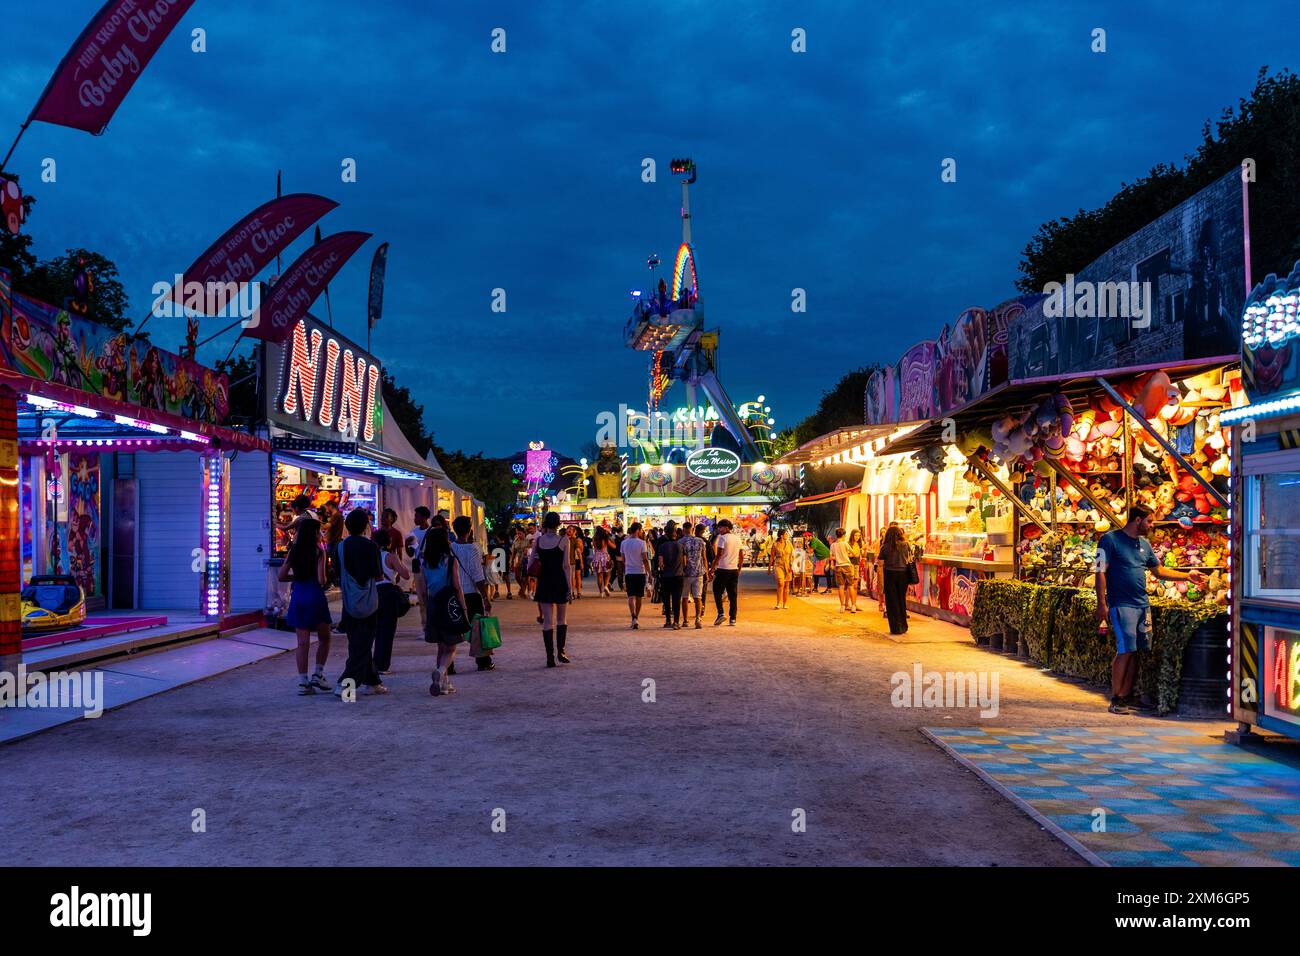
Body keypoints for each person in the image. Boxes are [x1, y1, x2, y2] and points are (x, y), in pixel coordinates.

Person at [1096, 504, 1206, 714]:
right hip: (1122, 604)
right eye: (1150, 521)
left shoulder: (1144, 545)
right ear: (1137, 520)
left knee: (1136, 650)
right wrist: (1102, 603)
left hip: (1142, 604)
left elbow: (1159, 571)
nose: (1152, 525)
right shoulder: (1109, 540)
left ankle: (1127, 695)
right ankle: (1116, 697)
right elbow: (1100, 572)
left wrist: (1187, 576)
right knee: (1125, 648)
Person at [334, 509, 388, 696]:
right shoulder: (371, 546)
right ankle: (345, 686)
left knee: (357, 642)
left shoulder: (340, 547)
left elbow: (336, 574)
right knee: (363, 645)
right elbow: (379, 575)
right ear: (366, 525)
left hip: (348, 602)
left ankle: (372, 682)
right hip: (368, 601)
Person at [277, 517, 332, 694]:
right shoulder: (319, 551)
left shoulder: (294, 550)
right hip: (315, 594)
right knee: (325, 637)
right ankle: (318, 674)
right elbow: (321, 579)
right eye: (319, 531)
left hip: (298, 595)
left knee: (302, 643)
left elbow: (281, 575)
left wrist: (296, 578)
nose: (321, 534)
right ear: (314, 533)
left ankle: (303, 682)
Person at [422, 526, 469, 696]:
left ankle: (444, 684)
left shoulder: (425, 562)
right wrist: (463, 607)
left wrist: (425, 610)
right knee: (451, 647)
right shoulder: (450, 560)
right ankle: (441, 672)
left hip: (433, 604)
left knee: (440, 647)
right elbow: (457, 586)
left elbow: (422, 590)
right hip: (449, 605)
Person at [453, 515, 495, 672]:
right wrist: (485, 597)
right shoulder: (473, 549)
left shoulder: (451, 548)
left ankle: (448, 663)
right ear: (470, 530)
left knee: (454, 628)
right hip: (471, 593)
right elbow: (478, 576)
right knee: (477, 629)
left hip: (455, 594)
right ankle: (482, 661)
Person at [531, 511, 572, 666]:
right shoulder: (564, 540)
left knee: (548, 621)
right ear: (558, 523)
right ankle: (561, 651)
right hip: (560, 581)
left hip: (544, 582)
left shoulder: (538, 541)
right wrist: (570, 587)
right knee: (562, 619)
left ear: (545, 523)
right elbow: (566, 566)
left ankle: (550, 657)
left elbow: (530, 563)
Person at [374, 526, 410, 675]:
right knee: (387, 631)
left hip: (373, 593)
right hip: (388, 593)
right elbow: (406, 575)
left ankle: (373, 662)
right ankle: (382, 665)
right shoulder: (391, 557)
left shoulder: (371, 555)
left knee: (375, 630)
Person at [877, 524, 913, 635]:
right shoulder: (906, 545)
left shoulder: (885, 547)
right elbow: (910, 559)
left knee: (892, 601)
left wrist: (880, 581)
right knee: (901, 599)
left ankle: (895, 627)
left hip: (890, 574)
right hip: (903, 575)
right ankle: (903, 625)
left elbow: (880, 564)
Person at [710, 518, 743, 626]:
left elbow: (719, 555)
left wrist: (712, 568)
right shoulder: (738, 539)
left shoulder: (722, 538)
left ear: (726, 527)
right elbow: (741, 556)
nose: (719, 529)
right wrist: (739, 569)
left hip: (723, 569)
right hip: (733, 570)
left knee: (717, 591)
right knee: (733, 595)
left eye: (720, 527)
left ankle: (721, 613)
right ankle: (733, 618)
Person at [620, 522, 652, 629]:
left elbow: (623, 560)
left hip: (629, 572)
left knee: (630, 596)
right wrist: (649, 573)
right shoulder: (642, 543)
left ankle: (633, 617)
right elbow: (645, 559)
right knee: (639, 597)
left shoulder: (624, 543)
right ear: (638, 530)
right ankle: (636, 618)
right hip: (640, 572)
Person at [407, 506, 432, 628]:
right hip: (419, 569)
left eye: (417, 516)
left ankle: (432, 625)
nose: (415, 518)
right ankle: (425, 626)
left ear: (425, 517)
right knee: (422, 598)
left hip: (431, 568)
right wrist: (407, 545)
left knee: (431, 596)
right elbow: (411, 553)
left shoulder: (432, 532)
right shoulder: (414, 532)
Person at [657, 521, 685, 629]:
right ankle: (676, 622)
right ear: (675, 534)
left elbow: (661, 563)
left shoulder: (662, 547)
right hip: (678, 575)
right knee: (677, 599)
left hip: (666, 576)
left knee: (667, 599)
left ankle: (668, 620)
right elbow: (685, 562)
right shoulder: (680, 546)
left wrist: (662, 570)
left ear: (666, 535)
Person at [680, 522, 707, 629]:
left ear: (683, 529)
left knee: (685, 597)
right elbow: (704, 558)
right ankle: (698, 619)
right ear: (692, 529)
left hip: (686, 574)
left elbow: (682, 559)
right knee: (698, 598)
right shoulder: (700, 541)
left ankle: (686, 620)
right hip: (698, 572)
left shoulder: (680, 542)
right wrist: (707, 573)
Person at [831, 527, 856, 612]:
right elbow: (853, 553)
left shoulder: (833, 545)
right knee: (850, 586)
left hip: (838, 566)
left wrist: (838, 557)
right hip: (847, 566)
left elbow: (831, 557)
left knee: (841, 587)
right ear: (843, 535)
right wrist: (847, 554)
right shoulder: (845, 543)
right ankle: (853, 606)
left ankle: (842, 606)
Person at [769, 528, 793, 610]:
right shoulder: (775, 544)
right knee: (780, 582)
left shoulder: (789, 544)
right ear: (781, 535)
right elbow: (772, 556)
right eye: (786, 534)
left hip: (788, 566)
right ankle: (778, 603)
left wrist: (791, 565)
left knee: (787, 585)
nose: (787, 535)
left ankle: (784, 603)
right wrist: (769, 568)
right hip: (778, 565)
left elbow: (792, 556)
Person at [845, 528, 865, 613]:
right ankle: (847, 604)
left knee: (855, 586)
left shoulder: (860, 544)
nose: (857, 537)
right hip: (850, 565)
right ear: (852, 535)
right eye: (856, 535)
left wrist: (863, 549)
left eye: (859, 535)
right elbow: (848, 555)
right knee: (850, 585)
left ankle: (854, 603)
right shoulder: (849, 544)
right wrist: (858, 551)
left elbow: (863, 555)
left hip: (857, 565)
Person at [591, 526, 613, 596]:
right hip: (605, 557)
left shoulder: (594, 539)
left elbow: (594, 547)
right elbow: (613, 546)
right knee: (608, 573)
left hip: (597, 557)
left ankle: (601, 592)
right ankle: (606, 586)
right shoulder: (605, 538)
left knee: (599, 575)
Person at [566, 525, 584, 599]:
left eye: (572, 530)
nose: (570, 531)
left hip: (575, 559)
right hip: (569, 560)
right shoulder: (565, 539)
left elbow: (580, 551)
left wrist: (581, 561)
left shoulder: (577, 540)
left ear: (575, 531)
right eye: (568, 529)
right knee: (571, 577)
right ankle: (571, 592)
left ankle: (578, 592)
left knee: (577, 576)